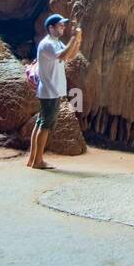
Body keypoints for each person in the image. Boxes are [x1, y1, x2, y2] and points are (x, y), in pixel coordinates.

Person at [26, 13, 82, 169]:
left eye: (63, 25)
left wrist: (77, 40)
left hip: (51, 89)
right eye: (60, 25)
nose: (63, 28)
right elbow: (64, 55)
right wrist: (73, 39)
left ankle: (32, 160)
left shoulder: (55, 42)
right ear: (51, 28)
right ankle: (38, 161)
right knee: (46, 125)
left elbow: (69, 56)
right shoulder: (47, 44)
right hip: (49, 90)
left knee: (40, 123)